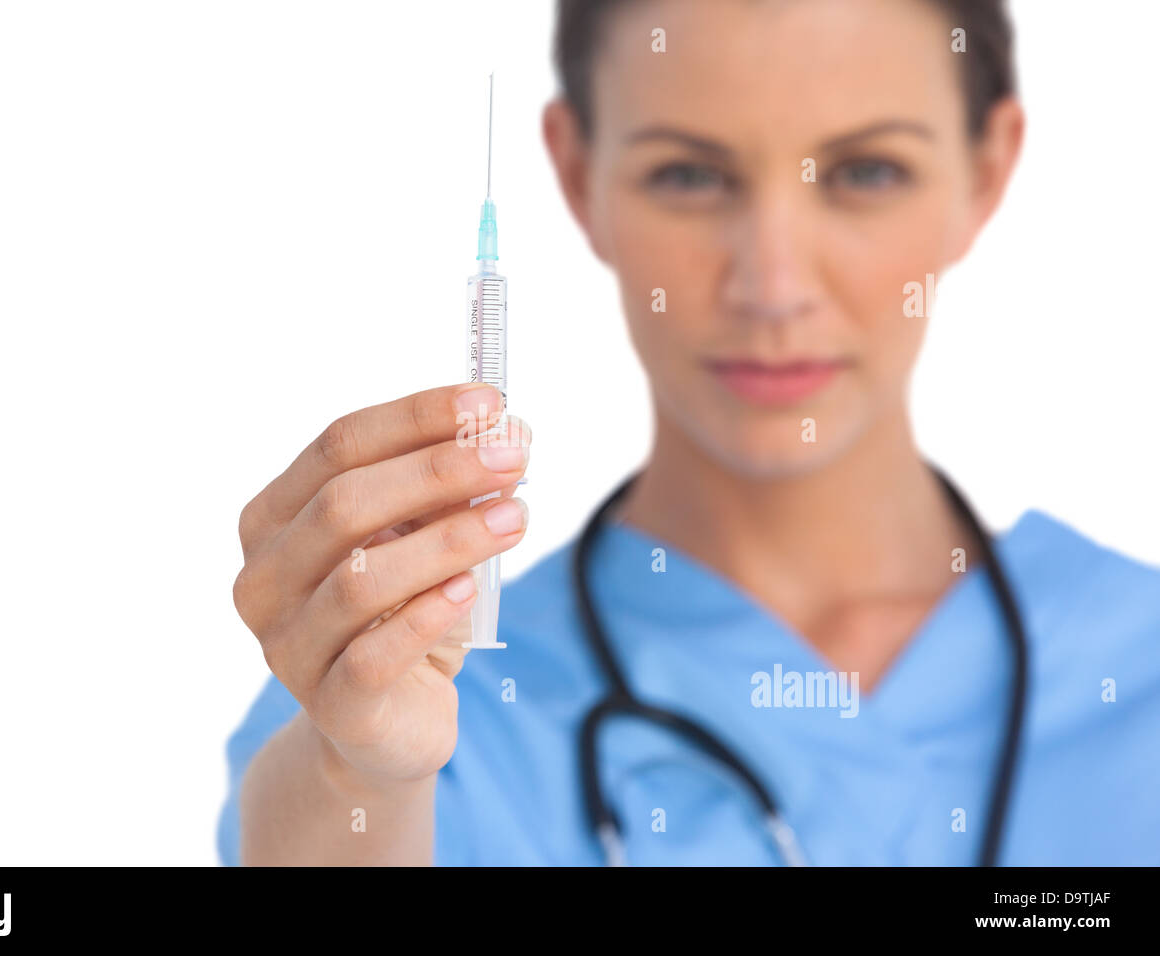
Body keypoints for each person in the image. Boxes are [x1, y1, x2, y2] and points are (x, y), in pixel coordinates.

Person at [219, 0, 1160, 866]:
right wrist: (357, 777)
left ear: (986, 170)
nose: (773, 284)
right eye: (689, 175)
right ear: (578, 176)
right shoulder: (421, 693)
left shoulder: (1136, 664)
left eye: (867, 171)